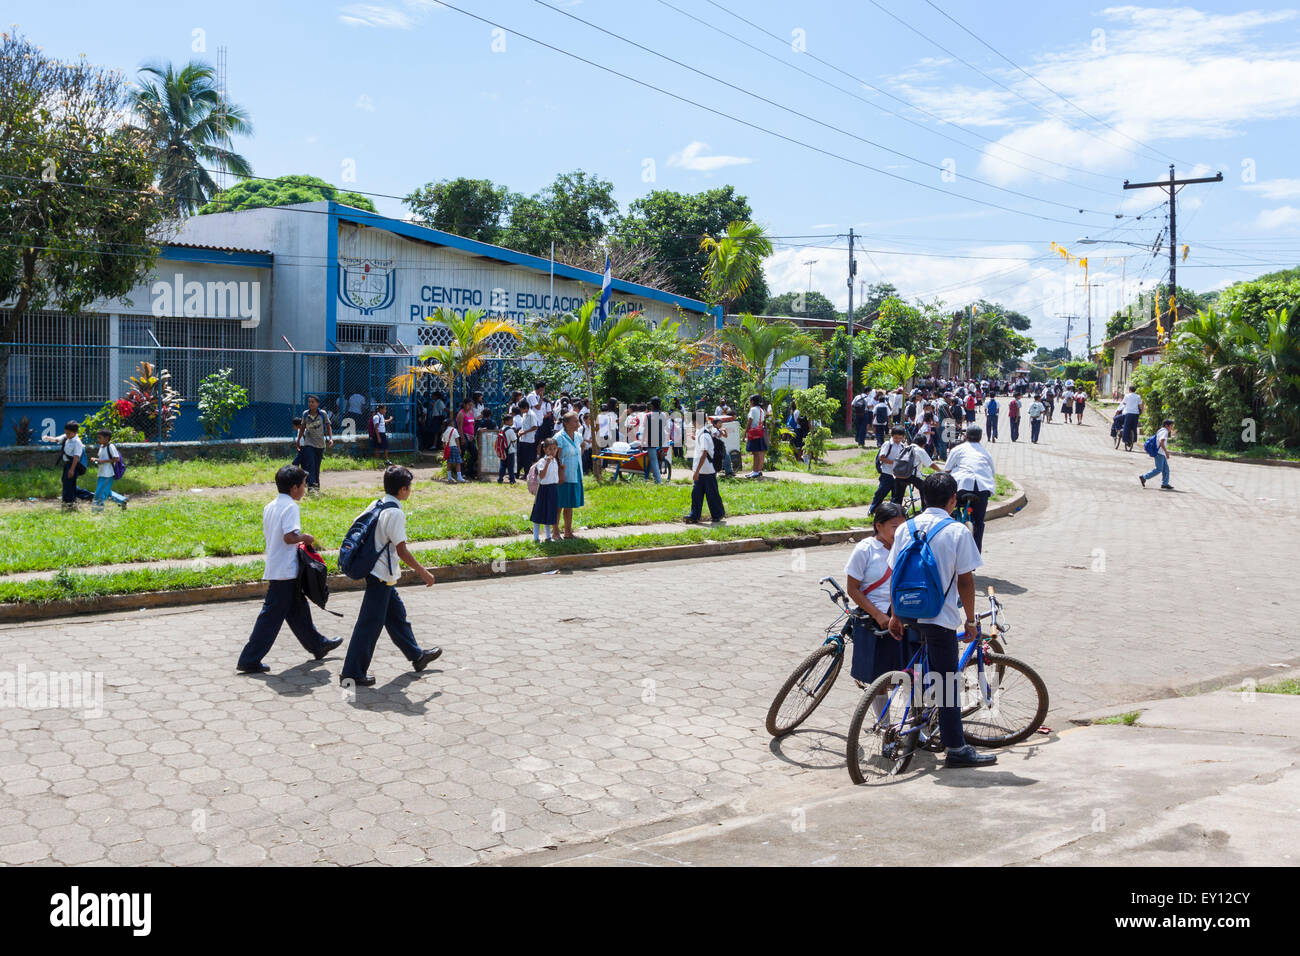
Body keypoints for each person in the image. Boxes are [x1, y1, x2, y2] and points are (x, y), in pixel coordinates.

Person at [886, 472, 995, 768]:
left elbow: (895, 574)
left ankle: (919, 729)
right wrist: (970, 622)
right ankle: (957, 749)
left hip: (907, 613)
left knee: (920, 671)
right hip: (939, 617)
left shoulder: (905, 528)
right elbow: (966, 582)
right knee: (948, 682)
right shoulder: (958, 531)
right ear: (953, 500)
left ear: (923, 498)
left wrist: (896, 614)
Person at [339, 466, 442, 687]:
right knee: (368, 625)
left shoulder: (377, 504)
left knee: (396, 617)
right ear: (403, 489)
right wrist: (424, 573)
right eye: (410, 487)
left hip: (378, 573)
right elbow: (402, 550)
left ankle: (417, 656)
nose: (410, 490)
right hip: (381, 575)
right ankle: (352, 673)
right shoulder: (395, 513)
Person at [236, 465, 342, 674]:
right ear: (294, 488)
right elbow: (289, 537)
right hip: (285, 570)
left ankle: (317, 645)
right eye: (303, 485)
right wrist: (306, 538)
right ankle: (249, 659)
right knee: (271, 615)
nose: (305, 488)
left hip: (279, 566)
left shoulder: (271, 506)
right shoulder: (291, 507)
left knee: (297, 609)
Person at [844, 502, 907, 689]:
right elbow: (853, 588)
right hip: (875, 618)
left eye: (903, 527)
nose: (899, 532)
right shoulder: (865, 549)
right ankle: (883, 719)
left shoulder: (906, 548)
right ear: (878, 526)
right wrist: (879, 616)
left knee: (905, 674)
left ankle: (911, 714)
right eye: (894, 527)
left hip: (901, 615)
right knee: (876, 679)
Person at [943, 425, 996, 552]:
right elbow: (992, 472)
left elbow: (947, 469)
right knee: (979, 522)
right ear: (980, 438)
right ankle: (976, 552)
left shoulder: (958, 449)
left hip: (962, 485)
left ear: (965, 436)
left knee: (950, 511)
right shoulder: (985, 452)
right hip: (982, 488)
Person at [870, 425, 937, 514]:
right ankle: (872, 510)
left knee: (896, 496)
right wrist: (895, 463)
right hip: (887, 473)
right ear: (891, 435)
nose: (897, 440)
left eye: (900, 438)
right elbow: (881, 458)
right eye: (896, 438)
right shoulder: (888, 444)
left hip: (898, 474)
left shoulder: (903, 446)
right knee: (881, 493)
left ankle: (893, 514)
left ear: (903, 438)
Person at [682, 420, 726, 524]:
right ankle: (694, 515)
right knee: (696, 494)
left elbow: (704, 453)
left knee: (712, 494)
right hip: (702, 469)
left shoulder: (704, 435)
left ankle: (718, 514)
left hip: (707, 470)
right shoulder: (700, 432)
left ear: (695, 422)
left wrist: (696, 471)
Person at [46, 421, 92, 508]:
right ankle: (86, 495)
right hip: (68, 464)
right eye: (66, 432)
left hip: (74, 465)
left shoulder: (77, 442)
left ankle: (69, 502)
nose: (66, 435)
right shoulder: (67, 437)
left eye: (68, 433)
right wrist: (48, 438)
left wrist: (72, 469)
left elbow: (76, 457)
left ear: (75, 432)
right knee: (66, 481)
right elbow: (56, 439)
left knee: (69, 482)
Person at [556, 411, 586, 538]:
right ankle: (555, 531)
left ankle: (568, 531)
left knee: (570, 504)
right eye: (575, 421)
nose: (577, 424)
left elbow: (582, 446)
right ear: (566, 423)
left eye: (578, 421)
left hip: (575, 472)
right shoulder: (559, 437)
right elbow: (556, 457)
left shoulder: (578, 436)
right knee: (559, 504)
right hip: (563, 474)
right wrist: (560, 473)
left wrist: (576, 458)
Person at [296, 395, 333, 490]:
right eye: (309, 402)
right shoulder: (305, 414)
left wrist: (331, 438)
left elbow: (328, 426)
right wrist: (299, 440)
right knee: (310, 465)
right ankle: (311, 487)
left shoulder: (322, 414)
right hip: (309, 443)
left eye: (313, 402)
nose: (311, 404)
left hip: (320, 444)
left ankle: (316, 486)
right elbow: (302, 427)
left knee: (316, 466)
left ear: (318, 403)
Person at [529, 437, 562, 541]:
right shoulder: (542, 462)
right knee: (539, 513)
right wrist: (547, 463)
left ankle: (548, 537)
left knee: (550, 512)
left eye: (555, 449)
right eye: (550, 449)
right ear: (545, 450)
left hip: (553, 489)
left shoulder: (555, 461)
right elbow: (542, 476)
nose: (553, 451)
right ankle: (536, 537)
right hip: (544, 489)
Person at [90, 429, 129, 511]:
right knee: (106, 491)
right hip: (101, 473)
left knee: (99, 493)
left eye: (100, 438)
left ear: (107, 438)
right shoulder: (101, 447)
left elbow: (116, 459)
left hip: (108, 474)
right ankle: (122, 500)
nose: (98, 440)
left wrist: (102, 461)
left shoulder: (111, 447)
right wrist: (96, 459)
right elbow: (103, 459)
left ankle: (97, 511)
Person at [1140, 418, 1175, 490]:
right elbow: (1161, 441)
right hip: (1160, 453)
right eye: (1171, 426)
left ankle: (1165, 483)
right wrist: (1166, 452)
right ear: (1166, 425)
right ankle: (1144, 477)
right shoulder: (1165, 431)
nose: (1172, 428)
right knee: (1159, 469)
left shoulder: (1161, 430)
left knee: (1166, 469)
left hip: (1161, 453)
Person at [642, 397, 669, 484]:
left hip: (651, 440)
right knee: (653, 458)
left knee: (653, 459)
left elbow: (645, 430)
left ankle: (658, 481)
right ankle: (647, 476)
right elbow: (664, 425)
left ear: (652, 405)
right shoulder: (663, 414)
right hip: (661, 439)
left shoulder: (648, 415)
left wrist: (642, 442)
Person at [744, 393, 767, 478]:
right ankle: (756, 470)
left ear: (752, 401)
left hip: (753, 433)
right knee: (757, 453)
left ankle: (755, 471)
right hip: (759, 432)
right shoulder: (761, 410)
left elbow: (749, 422)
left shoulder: (753, 409)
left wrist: (745, 434)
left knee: (755, 453)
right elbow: (763, 422)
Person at [516, 399, 539, 479]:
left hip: (529, 440)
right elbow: (524, 426)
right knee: (520, 457)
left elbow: (534, 427)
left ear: (525, 407)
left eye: (521, 409)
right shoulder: (524, 414)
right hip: (522, 439)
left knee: (527, 458)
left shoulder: (532, 415)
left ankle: (527, 474)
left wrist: (524, 432)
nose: (521, 410)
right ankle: (518, 473)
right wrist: (520, 431)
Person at [497, 415, 518, 484]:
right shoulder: (510, 430)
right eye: (511, 420)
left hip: (503, 450)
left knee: (502, 465)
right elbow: (514, 439)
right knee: (510, 466)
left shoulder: (501, 429)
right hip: (510, 450)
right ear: (506, 421)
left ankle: (500, 479)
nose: (512, 422)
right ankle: (512, 480)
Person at [441, 419, 464, 483]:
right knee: (458, 462)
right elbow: (457, 440)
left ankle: (449, 477)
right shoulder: (454, 430)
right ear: (451, 423)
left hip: (448, 448)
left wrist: (445, 449)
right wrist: (459, 448)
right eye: (453, 423)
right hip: (454, 447)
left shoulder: (444, 431)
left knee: (449, 463)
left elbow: (443, 442)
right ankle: (459, 477)